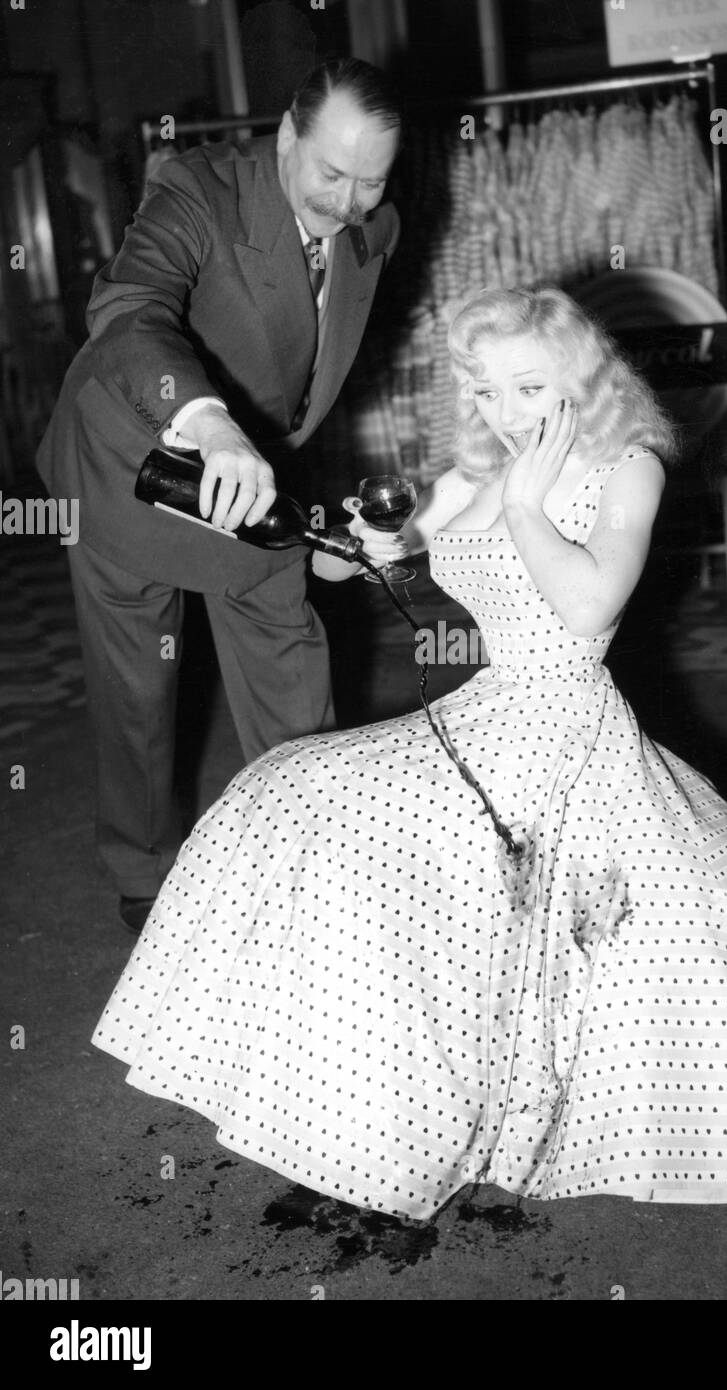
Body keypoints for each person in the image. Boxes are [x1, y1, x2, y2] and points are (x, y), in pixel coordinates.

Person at [92, 287, 727, 1222]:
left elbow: (588, 609)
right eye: (485, 391)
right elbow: (341, 565)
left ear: (581, 374)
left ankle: (413, 1098)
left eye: (528, 387)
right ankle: (322, 1073)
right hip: (488, 708)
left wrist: (528, 506)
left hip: (566, 727)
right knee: (283, 785)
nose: (505, 413)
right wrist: (366, 539)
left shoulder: (630, 466)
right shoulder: (481, 465)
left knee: (358, 811)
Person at [36, 59, 402, 933]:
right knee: (137, 683)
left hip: (250, 470)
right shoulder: (194, 189)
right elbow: (130, 306)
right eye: (330, 173)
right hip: (133, 457)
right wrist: (203, 419)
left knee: (288, 642)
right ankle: (141, 868)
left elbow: (297, 383)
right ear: (285, 136)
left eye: (371, 180)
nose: (349, 200)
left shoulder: (372, 225)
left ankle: (309, 845)